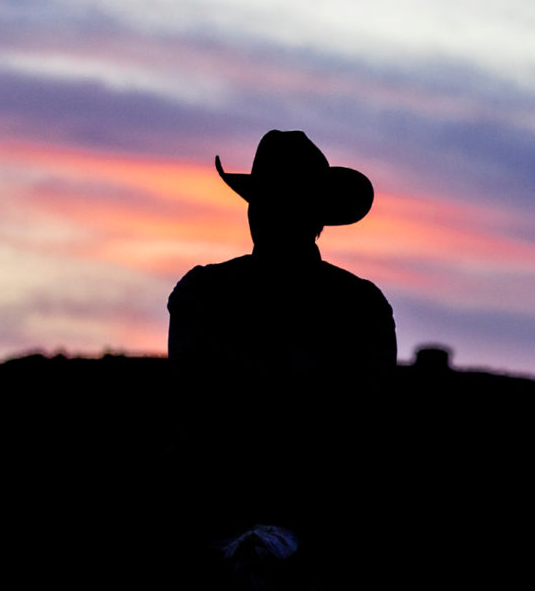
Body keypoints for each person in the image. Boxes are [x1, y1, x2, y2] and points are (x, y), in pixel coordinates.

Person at [166, 130, 397, 527]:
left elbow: (193, 404)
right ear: (321, 219)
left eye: (269, 202)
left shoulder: (202, 292)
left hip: (215, 512)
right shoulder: (362, 305)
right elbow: (368, 429)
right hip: (325, 518)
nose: (262, 213)